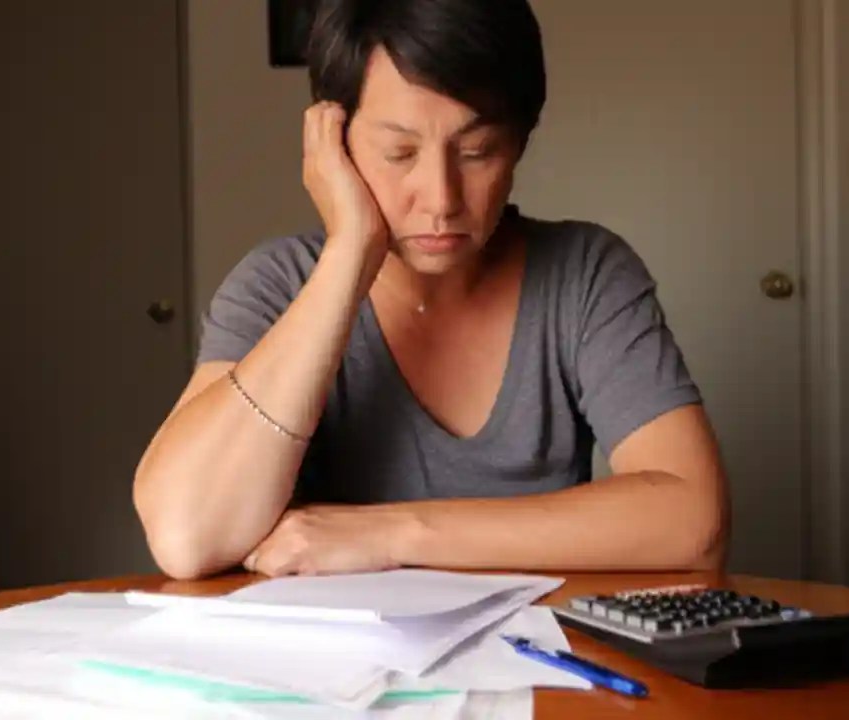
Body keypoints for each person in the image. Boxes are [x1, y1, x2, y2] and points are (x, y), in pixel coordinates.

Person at [134, 0, 729, 580]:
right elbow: (186, 538)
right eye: (399, 153)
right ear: (334, 144)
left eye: (477, 152)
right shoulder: (278, 284)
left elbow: (693, 522)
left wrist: (392, 534)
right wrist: (350, 253)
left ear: (519, 142)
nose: (441, 199)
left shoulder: (585, 274)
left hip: (535, 645)